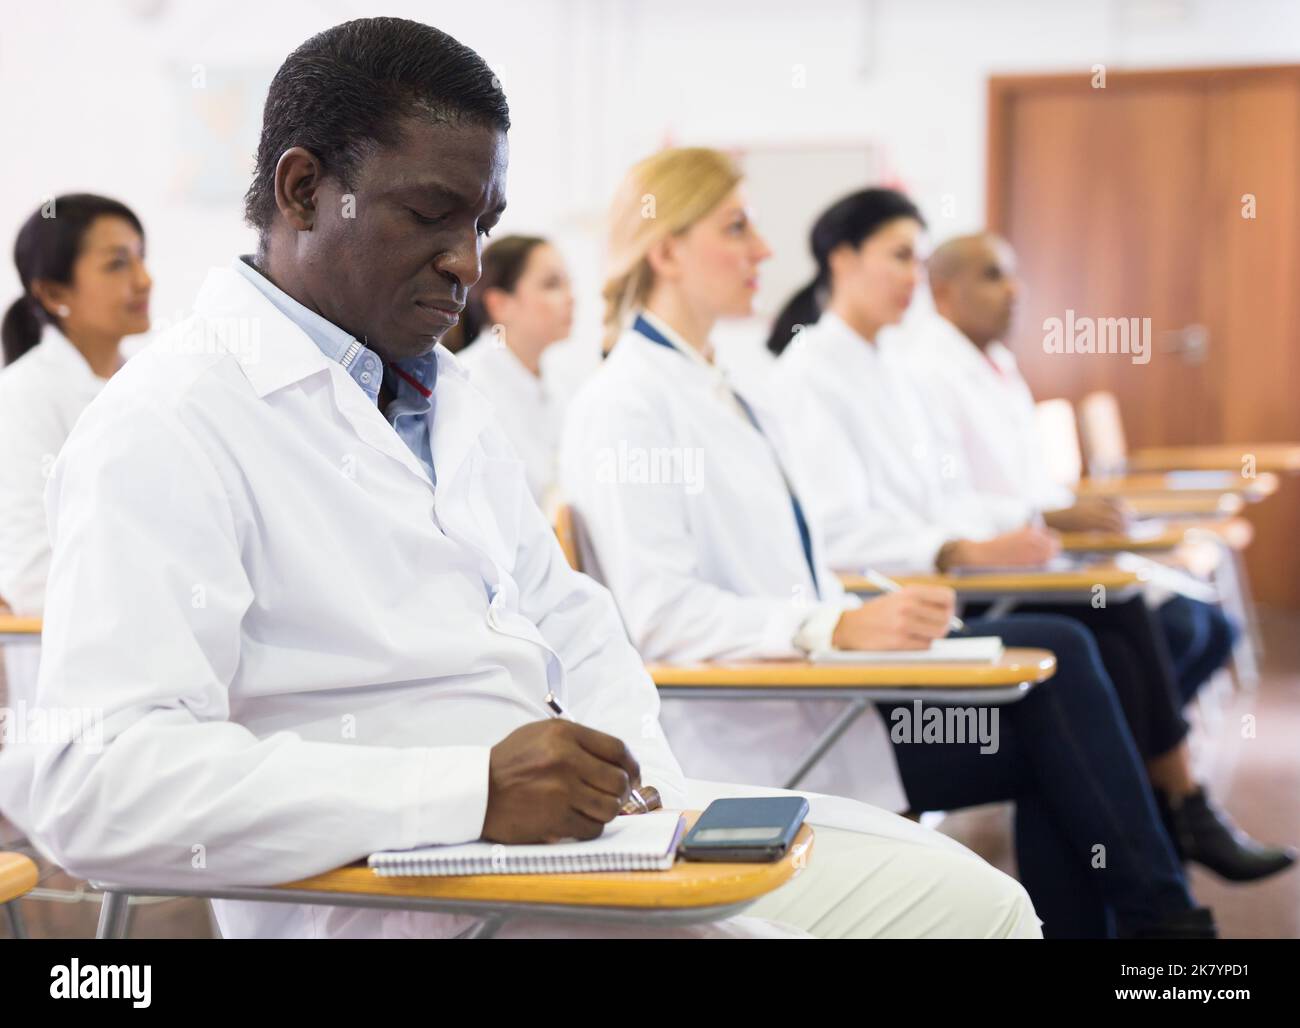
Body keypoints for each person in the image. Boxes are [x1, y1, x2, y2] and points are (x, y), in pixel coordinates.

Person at [0, 18, 1040, 940]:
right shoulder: (169, 421)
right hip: (406, 888)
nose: (467, 262)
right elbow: (93, 784)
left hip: (590, 850)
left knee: (978, 903)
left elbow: (573, 619)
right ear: (304, 188)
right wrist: (464, 789)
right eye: (430, 214)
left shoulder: (441, 395)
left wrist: (649, 795)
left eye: (484, 224)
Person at [561, 146, 1214, 938]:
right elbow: (660, 614)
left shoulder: (727, 386)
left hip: (824, 696)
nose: (766, 250)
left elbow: (795, 567)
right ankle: (1171, 929)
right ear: (666, 249)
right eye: (738, 227)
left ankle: (1157, 925)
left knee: (1063, 688)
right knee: (1065, 669)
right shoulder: (625, 405)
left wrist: (877, 609)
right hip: (752, 737)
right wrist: (831, 625)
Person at [767, 191, 1294, 884]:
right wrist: (961, 548)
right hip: (902, 604)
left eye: (919, 260)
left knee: (1114, 648)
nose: (913, 277)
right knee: (1087, 665)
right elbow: (839, 532)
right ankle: (1171, 836)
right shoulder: (811, 375)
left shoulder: (889, 367)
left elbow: (949, 499)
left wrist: (1015, 529)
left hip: (950, 578)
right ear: (841, 258)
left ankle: (1161, 852)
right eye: (900, 257)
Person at [914, 231, 1239, 708]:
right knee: (1168, 630)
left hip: (1042, 557)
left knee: (1213, 629)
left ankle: (1143, 760)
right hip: (988, 576)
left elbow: (1033, 482)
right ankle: (1150, 767)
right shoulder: (924, 373)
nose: (1015, 290)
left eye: (1013, 274)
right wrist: (1045, 515)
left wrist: (1074, 508)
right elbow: (944, 502)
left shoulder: (998, 363)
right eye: (992, 275)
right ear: (943, 291)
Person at [0, 194, 151, 746]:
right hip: (71, 690)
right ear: (53, 293)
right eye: (117, 264)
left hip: (158, 670)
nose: (143, 279)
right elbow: (31, 577)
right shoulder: (23, 397)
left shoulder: (152, 387)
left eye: (140, 257)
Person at [458, 234, 572, 509]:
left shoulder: (560, 383)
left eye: (569, 284)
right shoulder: (467, 385)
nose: (571, 298)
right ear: (499, 304)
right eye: (552, 285)